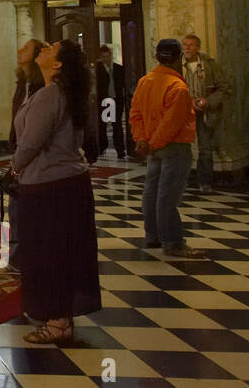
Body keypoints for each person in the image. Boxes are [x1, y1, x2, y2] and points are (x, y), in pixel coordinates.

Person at [10, 39, 102, 343]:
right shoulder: (61, 92)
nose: (43, 49)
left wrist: (14, 168)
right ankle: (61, 318)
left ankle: (58, 321)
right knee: (62, 252)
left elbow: (31, 143)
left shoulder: (51, 95)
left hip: (48, 185)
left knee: (48, 254)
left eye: (50, 48)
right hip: (68, 183)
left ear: (58, 63)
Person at [130, 38, 204, 259]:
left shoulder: (145, 81)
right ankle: (173, 242)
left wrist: (143, 141)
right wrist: (154, 143)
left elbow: (135, 115)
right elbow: (171, 123)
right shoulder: (177, 87)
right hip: (174, 147)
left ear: (157, 57)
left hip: (152, 147)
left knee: (151, 192)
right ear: (179, 57)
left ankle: (153, 235)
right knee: (167, 196)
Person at [5, 38, 46, 275]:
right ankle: (17, 257)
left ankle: (29, 257)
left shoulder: (44, 89)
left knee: (26, 208)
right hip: (20, 150)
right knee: (15, 207)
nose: (20, 50)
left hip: (34, 156)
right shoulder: (23, 83)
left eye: (26, 48)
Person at [182, 34, 230, 193]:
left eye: (191, 45)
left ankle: (205, 181)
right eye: (185, 45)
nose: (187, 48)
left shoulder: (209, 65)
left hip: (205, 111)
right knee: (182, 147)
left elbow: (224, 88)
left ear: (198, 48)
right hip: (184, 112)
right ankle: (183, 179)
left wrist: (208, 100)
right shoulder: (178, 65)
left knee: (206, 148)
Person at [95, 45, 128, 159]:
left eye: (108, 56)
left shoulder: (118, 68)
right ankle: (102, 148)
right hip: (105, 100)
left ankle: (120, 150)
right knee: (103, 125)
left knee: (117, 125)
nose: (106, 59)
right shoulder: (98, 70)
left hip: (116, 99)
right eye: (104, 57)